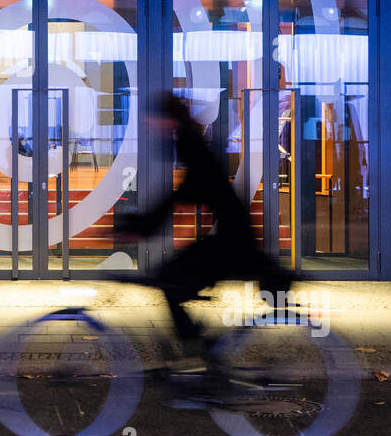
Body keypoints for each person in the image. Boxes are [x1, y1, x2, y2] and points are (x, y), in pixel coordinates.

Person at [115, 94, 293, 363]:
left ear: (167, 120)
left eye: (153, 121)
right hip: (228, 238)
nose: (150, 127)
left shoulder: (191, 144)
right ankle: (199, 348)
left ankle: (200, 353)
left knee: (169, 280)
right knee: (170, 280)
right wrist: (147, 223)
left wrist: (143, 225)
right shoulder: (189, 141)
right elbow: (187, 193)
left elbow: (187, 192)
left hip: (231, 243)